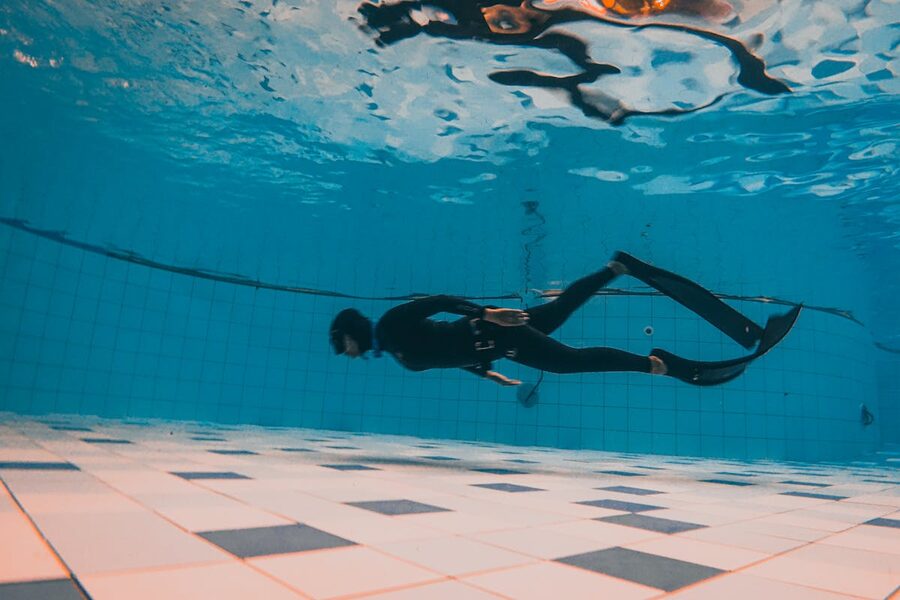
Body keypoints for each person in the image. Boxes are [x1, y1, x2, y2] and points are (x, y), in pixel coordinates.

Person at [330, 252, 801, 387]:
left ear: (351, 333)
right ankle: (617, 267)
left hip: (494, 330)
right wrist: (487, 372)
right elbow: (443, 349)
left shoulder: (390, 325)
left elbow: (436, 302)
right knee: (559, 312)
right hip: (493, 343)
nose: (347, 355)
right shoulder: (391, 346)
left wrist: (486, 312)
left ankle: (655, 363)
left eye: (343, 346)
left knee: (567, 362)